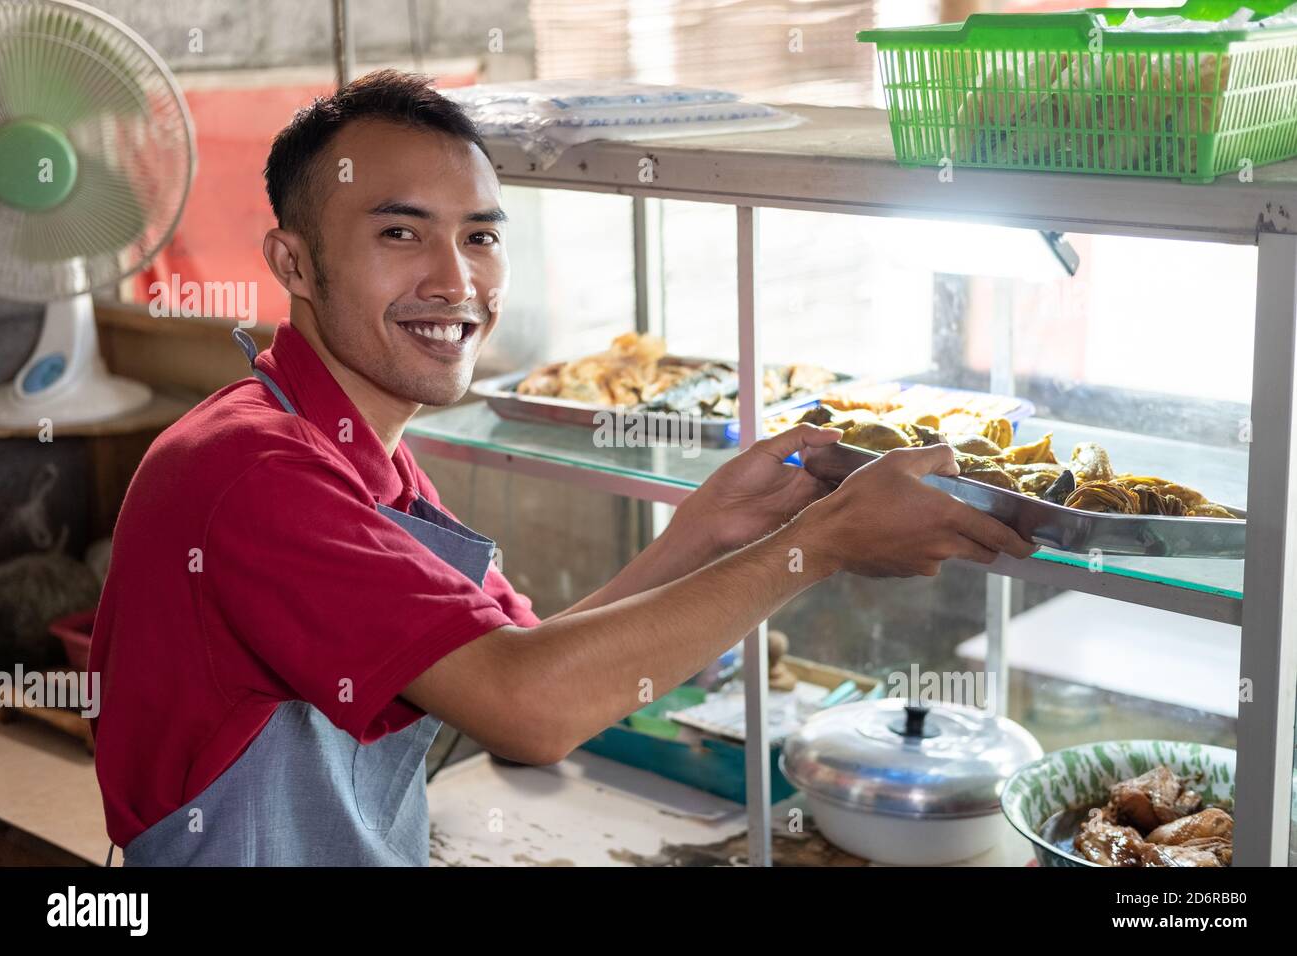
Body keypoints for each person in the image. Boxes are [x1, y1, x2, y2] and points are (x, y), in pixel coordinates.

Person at [89, 70, 1035, 866]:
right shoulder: (253, 473)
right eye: (400, 232)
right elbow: (528, 711)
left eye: (481, 235)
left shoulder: (355, 448)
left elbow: (530, 658)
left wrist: (715, 530)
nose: (455, 282)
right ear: (291, 263)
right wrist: (820, 546)